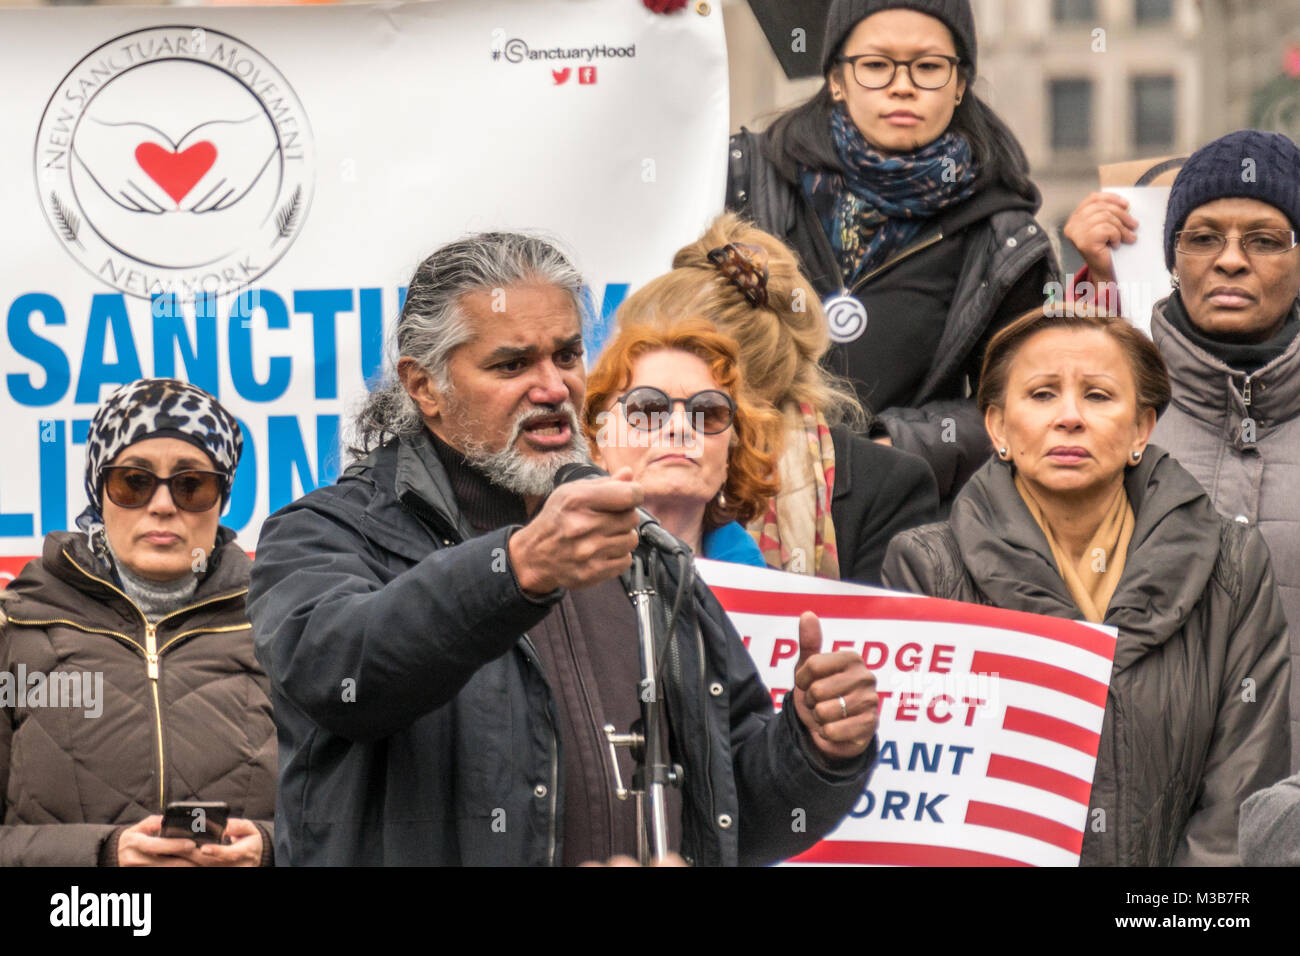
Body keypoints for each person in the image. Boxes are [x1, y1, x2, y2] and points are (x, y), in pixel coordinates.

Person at [246, 232, 879, 866]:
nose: (553, 388)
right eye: (512, 365)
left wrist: (816, 747)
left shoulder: (641, 551)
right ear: (425, 386)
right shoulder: (328, 533)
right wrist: (516, 570)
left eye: (568, 355)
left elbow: (730, 813)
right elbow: (342, 675)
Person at [881, 305, 1290, 866]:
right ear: (998, 427)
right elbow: (934, 796)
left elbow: (1240, 800)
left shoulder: (1233, 565)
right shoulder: (928, 568)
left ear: (1142, 428)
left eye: (1098, 396)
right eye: (1042, 394)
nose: (1069, 417)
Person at [727, 0, 1059, 502]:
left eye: (928, 67)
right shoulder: (743, 181)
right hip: (746, 496)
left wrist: (895, 445)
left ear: (960, 83)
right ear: (836, 78)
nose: (902, 85)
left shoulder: (1004, 236)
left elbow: (1027, 397)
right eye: (876, 65)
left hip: (901, 518)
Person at [1065, 129, 1300, 771]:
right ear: (1171, 258)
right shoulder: (1095, 421)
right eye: (1202, 238)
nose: (1229, 260)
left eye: (1265, 239)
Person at [0, 379, 275, 867]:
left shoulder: (281, 627)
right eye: (134, 481)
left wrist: (274, 848)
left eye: (192, 484)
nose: (163, 505)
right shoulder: (18, 631)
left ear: (222, 497)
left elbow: (346, 820)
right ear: (99, 491)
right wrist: (102, 855)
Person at [614, 213, 939, 584]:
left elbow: (882, 637)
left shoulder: (887, 486)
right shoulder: (594, 478)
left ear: (737, 386)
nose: (672, 423)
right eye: (647, 402)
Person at [583, 317, 779, 567]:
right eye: (648, 409)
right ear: (597, 443)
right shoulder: (547, 588)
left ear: (730, 456)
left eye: (708, 412)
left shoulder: (767, 596)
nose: (680, 427)